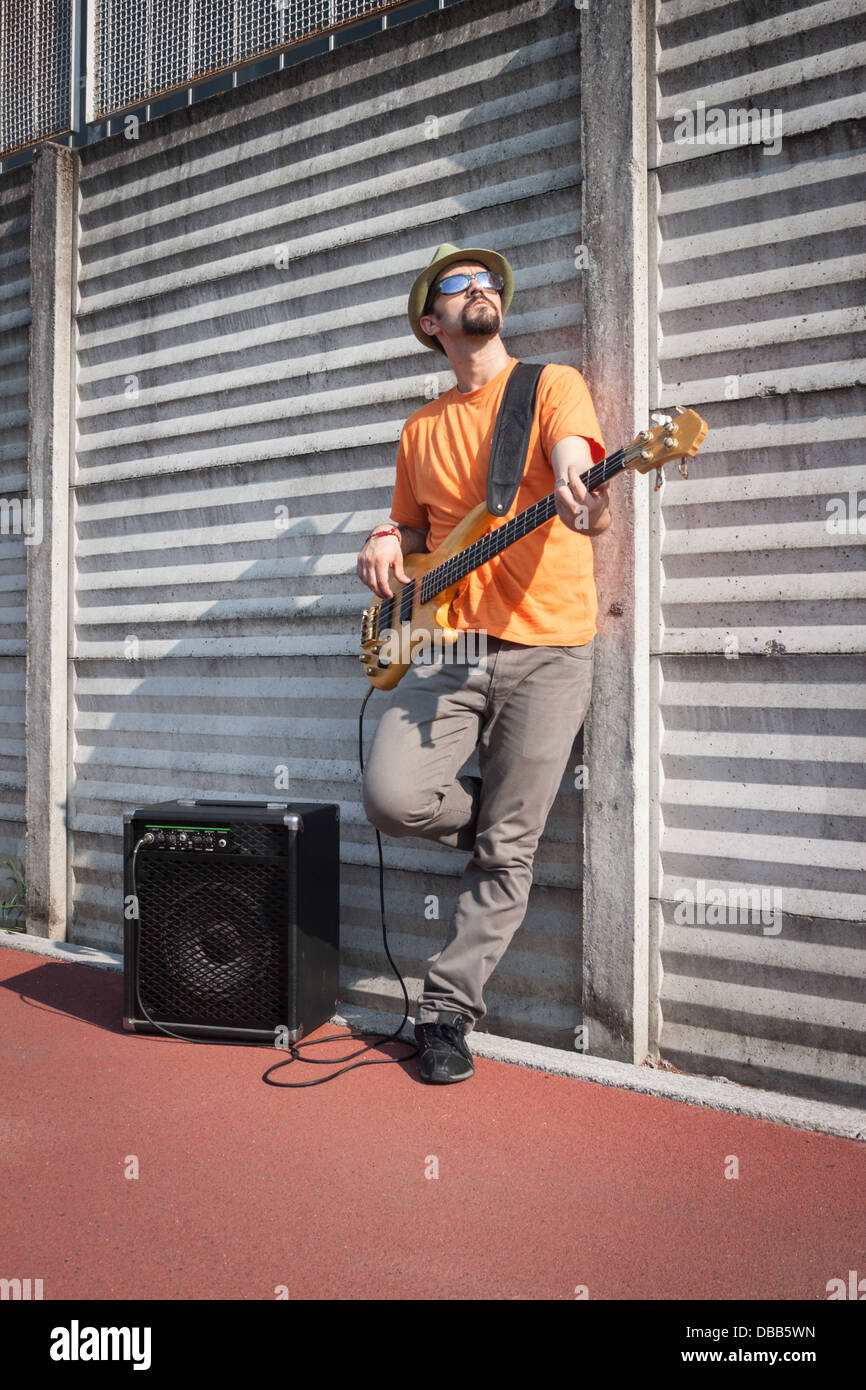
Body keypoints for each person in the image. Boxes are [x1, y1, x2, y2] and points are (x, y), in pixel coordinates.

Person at [357, 242, 611, 1083]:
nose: (483, 288)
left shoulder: (549, 385)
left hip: (550, 647)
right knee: (393, 797)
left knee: (509, 855)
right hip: (450, 646)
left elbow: (576, 455)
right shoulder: (421, 427)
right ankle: (500, 827)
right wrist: (387, 535)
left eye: (490, 279)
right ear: (432, 321)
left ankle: (445, 1013)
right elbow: (419, 530)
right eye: (461, 283)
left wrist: (583, 483)